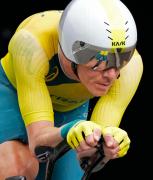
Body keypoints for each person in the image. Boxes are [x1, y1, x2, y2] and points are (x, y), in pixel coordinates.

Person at [0, 0, 143, 179]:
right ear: (72, 52)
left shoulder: (132, 68)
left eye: (122, 60)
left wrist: (106, 147)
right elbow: (39, 143)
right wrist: (70, 129)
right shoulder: (31, 45)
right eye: (100, 62)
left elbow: (88, 159)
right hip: (13, 92)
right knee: (18, 167)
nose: (112, 75)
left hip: (70, 109)